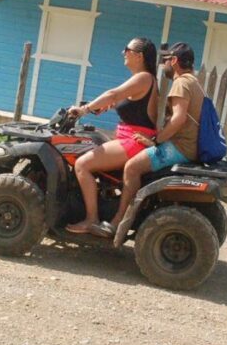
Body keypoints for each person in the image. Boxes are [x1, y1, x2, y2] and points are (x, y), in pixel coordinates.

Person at [101, 42, 204, 236]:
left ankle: (118, 221)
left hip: (180, 147)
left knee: (132, 167)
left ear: (174, 61)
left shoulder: (181, 83)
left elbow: (178, 118)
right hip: (188, 145)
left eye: (165, 60)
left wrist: (157, 140)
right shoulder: (195, 82)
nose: (162, 64)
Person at [65, 37, 159, 236]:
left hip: (133, 141)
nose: (123, 53)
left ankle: (91, 219)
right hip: (126, 139)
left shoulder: (144, 78)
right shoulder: (141, 79)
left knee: (82, 165)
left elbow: (112, 94)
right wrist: (100, 108)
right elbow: (116, 101)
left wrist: (83, 109)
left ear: (139, 55)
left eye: (127, 49)